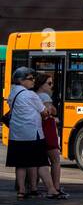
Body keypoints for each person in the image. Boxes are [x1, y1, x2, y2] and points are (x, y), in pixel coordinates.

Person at [6, 68, 49, 198]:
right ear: (20, 80)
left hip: (16, 135)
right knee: (34, 162)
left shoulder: (12, 94)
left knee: (20, 164)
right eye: (30, 79)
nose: (33, 81)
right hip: (32, 134)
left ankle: (21, 190)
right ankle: (34, 189)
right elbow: (44, 111)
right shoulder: (30, 95)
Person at [32, 73, 68, 198]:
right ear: (41, 85)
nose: (52, 86)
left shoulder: (34, 95)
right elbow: (50, 111)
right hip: (48, 129)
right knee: (55, 160)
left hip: (38, 130)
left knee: (39, 161)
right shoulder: (44, 96)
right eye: (49, 83)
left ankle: (33, 188)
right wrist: (53, 113)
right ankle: (55, 187)